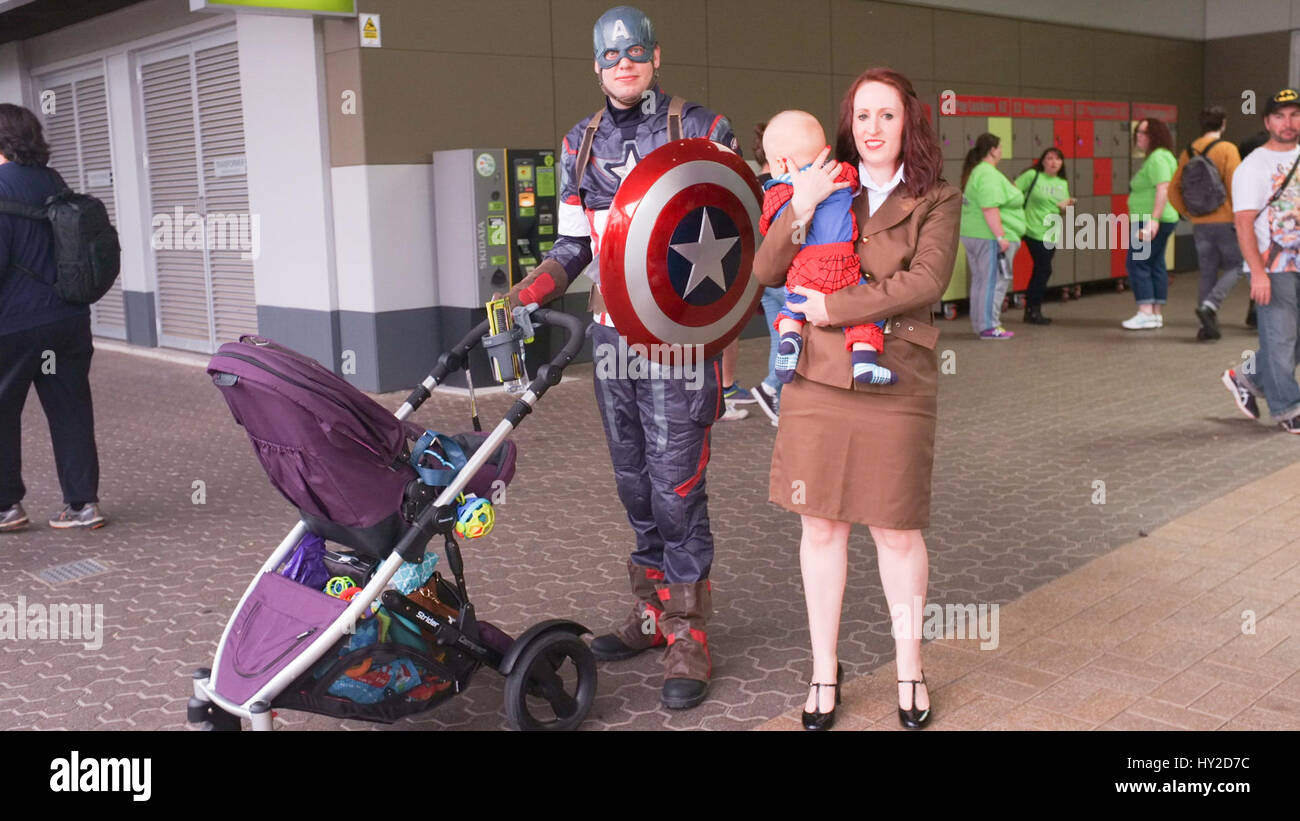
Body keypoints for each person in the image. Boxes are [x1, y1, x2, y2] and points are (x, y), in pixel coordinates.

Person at [502, 5, 739, 709]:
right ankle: (650, 609)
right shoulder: (580, 143)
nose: (624, 62)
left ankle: (689, 628)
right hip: (611, 342)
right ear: (596, 65)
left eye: (636, 50)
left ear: (657, 57)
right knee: (634, 480)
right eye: (611, 55)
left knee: (676, 484)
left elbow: (737, 227)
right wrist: (530, 289)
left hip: (678, 341)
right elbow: (573, 246)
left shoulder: (701, 129)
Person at [754, 67, 960, 730]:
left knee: (897, 531)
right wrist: (803, 205)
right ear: (848, 124)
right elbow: (763, 269)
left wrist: (833, 305)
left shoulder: (937, 197)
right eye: (862, 115)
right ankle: (823, 667)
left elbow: (925, 281)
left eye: (888, 115)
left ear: (910, 124)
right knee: (821, 525)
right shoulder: (817, 180)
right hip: (817, 379)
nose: (873, 128)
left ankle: (909, 668)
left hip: (894, 374)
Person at [0, 103, 106, 532]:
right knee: (71, 409)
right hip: (67, 320)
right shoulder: (54, 181)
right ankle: (82, 505)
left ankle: (7, 507)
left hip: (14, 324)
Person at [760, 109, 895, 385]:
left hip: (804, 269)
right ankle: (864, 362)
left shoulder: (777, 192)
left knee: (791, 308)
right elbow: (856, 181)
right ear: (823, 152)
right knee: (865, 311)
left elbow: (770, 230)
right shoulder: (841, 174)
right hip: (843, 266)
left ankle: (789, 339)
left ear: (779, 163)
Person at [1221, 88, 1300, 434]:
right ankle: (1287, 408)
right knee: (1280, 339)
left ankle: (1247, 377)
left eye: (1295, 114)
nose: (1289, 122)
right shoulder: (1253, 166)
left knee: (1293, 340)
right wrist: (1257, 272)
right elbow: (1243, 223)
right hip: (1274, 266)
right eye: (1280, 116)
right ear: (1267, 121)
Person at [1169, 106, 1243, 341]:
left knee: (1207, 272)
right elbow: (1236, 185)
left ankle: (1206, 328)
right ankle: (1211, 305)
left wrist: (1188, 212)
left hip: (1200, 224)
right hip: (1226, 220)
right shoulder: (1227, 149)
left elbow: (1173, 189)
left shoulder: (1189, 151)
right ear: (1223, 123)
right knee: (1238, 265)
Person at [960, 133, 1025, 339]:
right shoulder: (987, 173)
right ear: (993, 150)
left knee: (981, 281)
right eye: (1000, 147)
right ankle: (989, 326)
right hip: (989, 237)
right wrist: (1000, 236)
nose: (1002, 151)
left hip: (974, 234)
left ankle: (981, 324)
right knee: (993, 282)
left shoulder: (978, 172)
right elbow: (989, 207)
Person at [1121, 118, 1179, 330]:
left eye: (1144, 133)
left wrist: (1152, 220)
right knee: (1155, 264)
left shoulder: (1157, 159)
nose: (1139, 137)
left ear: (1155, 135)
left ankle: (1145, 311)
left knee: (1138, 263)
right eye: (1138, 132)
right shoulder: (1163, 157)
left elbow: (1163, 189)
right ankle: (1155, 313)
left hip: (1150, 220)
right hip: (1159, 219)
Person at [1013, 147, 1074, 325]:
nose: (1054, 162)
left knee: (1042, 270)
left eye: (1058, 159)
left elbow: (1064, 208)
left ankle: (1032, 309)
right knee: (1044, 269)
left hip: (1051, 233)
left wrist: (1066, 207)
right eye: (1050, 158)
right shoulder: (1032, 176)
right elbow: (1012, 193)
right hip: (1032, 229)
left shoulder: (1062, 183)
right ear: (1043, 161)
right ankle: (1033, 309)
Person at [751, 120, 783, 425]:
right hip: (786, 275)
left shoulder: (748, 186)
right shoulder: (786, 186)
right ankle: (772, 386)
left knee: (781, 337)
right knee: (800, 338)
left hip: (761, 278)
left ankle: (778, 403)